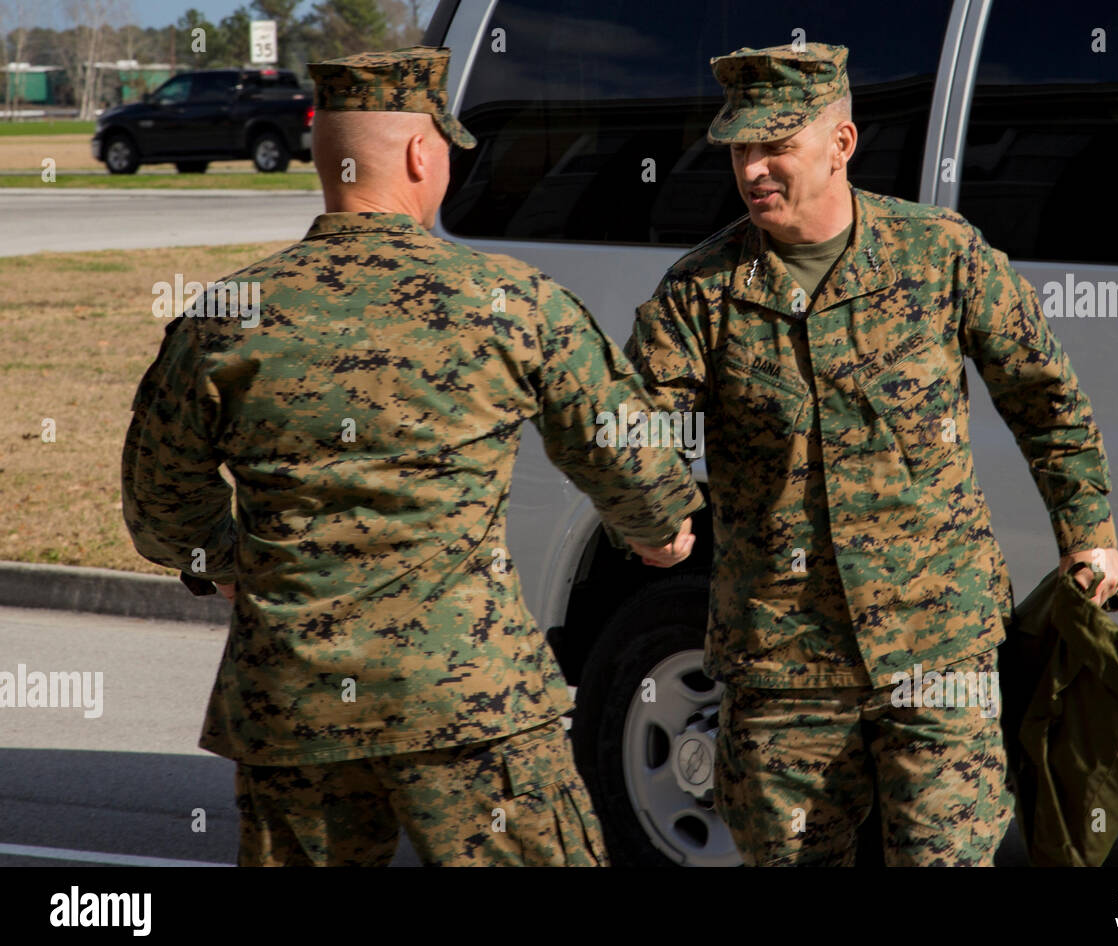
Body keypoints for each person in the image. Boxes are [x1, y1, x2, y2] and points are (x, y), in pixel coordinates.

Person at [121, 46, 701, 867]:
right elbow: (632, 458)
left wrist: (224, 557)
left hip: (295, 705)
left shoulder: (223, 316)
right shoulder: (514, 302)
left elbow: (157, 506)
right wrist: (660, 531)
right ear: (424, 155)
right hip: (470, 699)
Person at [624, 42, 1118, 866]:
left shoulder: (941, 256)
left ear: (841, 145)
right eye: (740, 148)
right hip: (783, 660)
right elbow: (635, 423)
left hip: (940, 646)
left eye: (775, 146)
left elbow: (1045, 399)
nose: (752, 169)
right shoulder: (701, 292)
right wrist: (649, 510)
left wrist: (1089, 532)